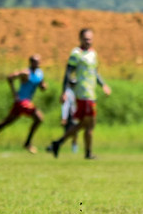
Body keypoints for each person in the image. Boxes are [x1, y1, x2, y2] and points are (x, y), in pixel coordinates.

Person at [47, 28, 111, 159]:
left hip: (91, 93)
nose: (88, 41)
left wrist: (103, 84)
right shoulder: (76, 53)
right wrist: (64, 91)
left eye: (90, 39)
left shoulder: (93, 53)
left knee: (84, 124)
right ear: (80, 39)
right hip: (83, 93)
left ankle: (58, 143)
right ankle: (87, 153)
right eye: (86, 39)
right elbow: (68, 73)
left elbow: (95, 72)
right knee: (90, 124)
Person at [0, 54, 47, 153]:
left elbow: (41, 84)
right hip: (22, 102)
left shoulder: (40, 73)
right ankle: (27, 143)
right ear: (31, 62)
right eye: (35, 62)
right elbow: (9, 78)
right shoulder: (25, 73)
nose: (38, 63)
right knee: (39, 118)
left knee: (6, 122)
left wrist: (43, 86)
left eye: (39, 61)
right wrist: (14, 93)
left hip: (24, 102)